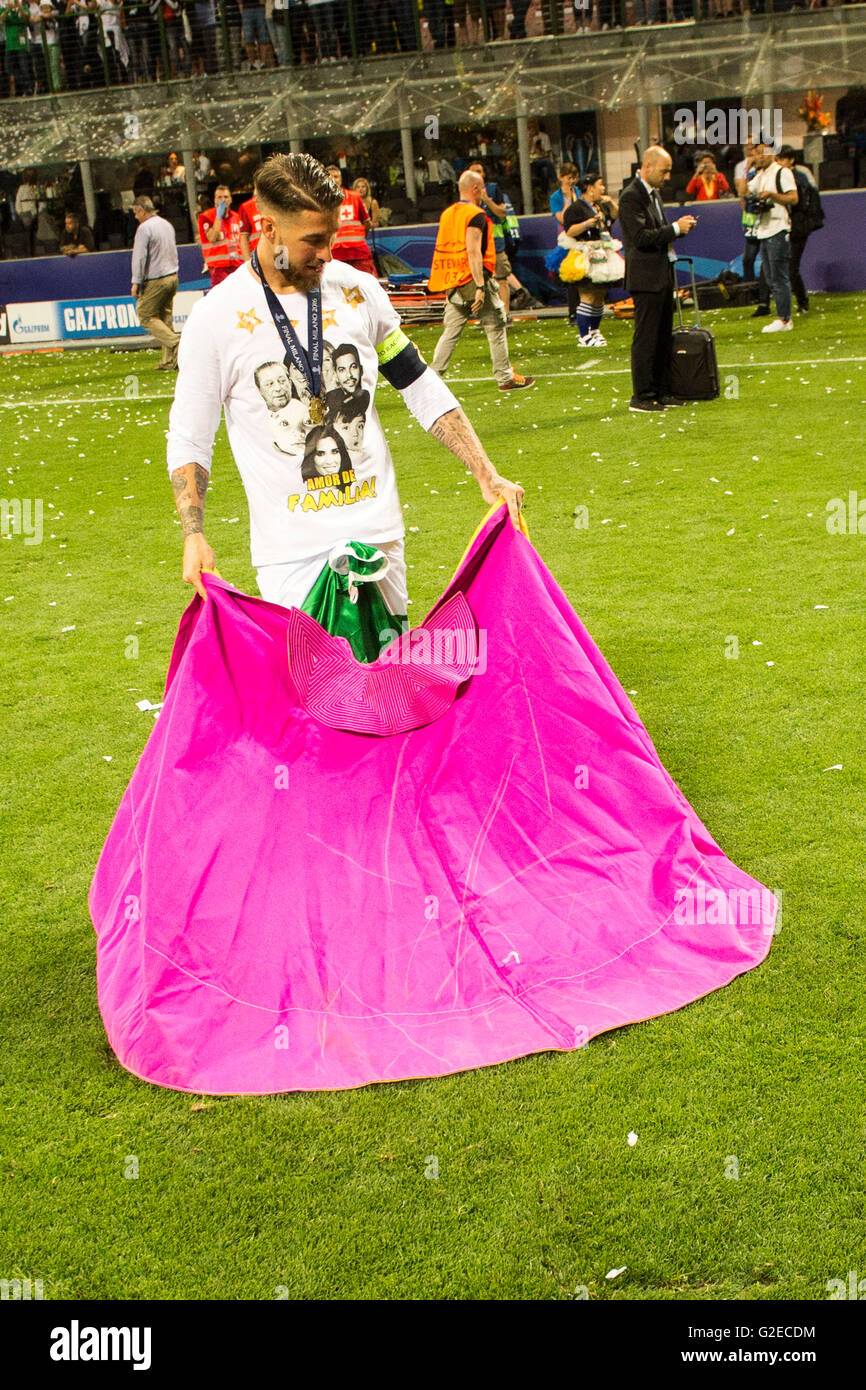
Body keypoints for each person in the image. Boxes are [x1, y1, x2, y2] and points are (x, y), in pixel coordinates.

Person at [166, 153, 524, 619]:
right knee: (319, 691)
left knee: (389, 683)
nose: (327, 254)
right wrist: (193, 533)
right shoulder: (216, 318)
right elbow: (191, 437)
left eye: (331, 237)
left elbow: (417, 381)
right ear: (268, 228)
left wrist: (483, 469)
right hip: (292, 551)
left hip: (376, 531)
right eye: (312, 241)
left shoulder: (357, 290)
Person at [429, 170, 535, 393]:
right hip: (473, 280)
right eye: (483, 186)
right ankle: (505, 378)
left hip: (452, 280)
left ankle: (433, 377)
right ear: (475, 189)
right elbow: (473, 251)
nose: (485, 190)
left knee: (450, 332)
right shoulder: (475, 214)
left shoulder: (448, 213)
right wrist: (479, 287)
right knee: (495, 326)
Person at [618, 145, 697, 413]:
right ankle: (642, 395)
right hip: (645, 278)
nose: (667, 178)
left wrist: (675, 230)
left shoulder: (653, 195)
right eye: (664, 172)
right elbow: (641, 238)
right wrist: (675, 229)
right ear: (648, 167)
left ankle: (661, 391)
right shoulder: (630, 197)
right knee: (647, 338)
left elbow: (655, 232)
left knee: (663, 336)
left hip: (661, 274)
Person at [561, 173, 620, 345]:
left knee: (599, 295)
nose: (603, 189)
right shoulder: (576, 208)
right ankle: (584, 335)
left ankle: (594, 331)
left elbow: (615, 215)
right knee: (587, 294)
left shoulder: (601, 205)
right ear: (590, 188)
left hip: (602, 252)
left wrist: (611, 202)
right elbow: (569, 231)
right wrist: (587, 224)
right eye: (600, 185)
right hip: (585, 254)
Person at [746, 142, 797, 333]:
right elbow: (744, 190)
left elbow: (793, 198)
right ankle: (783, 317)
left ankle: (784, 319)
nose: (758, 156)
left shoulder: (781, 173)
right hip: (764, 229)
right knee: (769, 276)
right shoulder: (760, 175)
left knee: (778, 276)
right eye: (756, 153)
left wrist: (772, 196)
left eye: (761, 152)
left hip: (778, 228)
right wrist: (748, 169)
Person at [130, 194, 181, 370]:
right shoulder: (167, 225)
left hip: (157, 279)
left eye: (135, 213)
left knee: (145, 315)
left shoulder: (144, 229)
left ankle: (176, 343)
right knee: (165, 317)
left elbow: (140, 257)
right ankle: (169, 361)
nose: (135, 217)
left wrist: (136, 281)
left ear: (141, 210)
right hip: (172, 276)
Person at [777, 145, 823, 314]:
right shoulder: (780, 175)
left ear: (791, 160)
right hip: (785, 225)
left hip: (798, 226)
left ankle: (802, 301)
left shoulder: (800, 177)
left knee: (791, 267)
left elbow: (806, 201)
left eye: (782, 159)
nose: (779, 162)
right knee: (783, 267)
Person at [325, 164, 377, 277]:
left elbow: (367, 223)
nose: (333, 179)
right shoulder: (322, 202)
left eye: (336, 176)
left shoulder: (355, 197)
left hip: (358, 252)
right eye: (330, 176)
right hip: (336, 254)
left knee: (366, 285)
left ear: (341, 179)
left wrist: (359, 238)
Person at [198, 182, 244, 288]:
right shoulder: (206, 217)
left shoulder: (237, 217)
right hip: (218, 268)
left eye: (226, 197)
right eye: (219, 197)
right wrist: (218, 217)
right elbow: (212, 237)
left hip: (237, 265)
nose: (223, 200)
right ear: (214, 200)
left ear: (231, 199)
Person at [733, 138, 760, 282]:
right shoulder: (744, 169)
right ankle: (749, 288)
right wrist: (746, 170)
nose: (751, 150)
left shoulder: (766, 169)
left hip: (764, 217)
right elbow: (741, 192)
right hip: (749, 214)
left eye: (754, 148)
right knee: (748, 258)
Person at [237, 189, 261, 260]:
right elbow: (244, 238)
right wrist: (248, 262)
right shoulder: (247, 207)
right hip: (259, 258)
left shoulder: (276, 205)